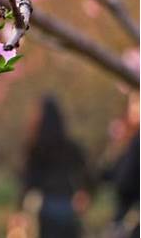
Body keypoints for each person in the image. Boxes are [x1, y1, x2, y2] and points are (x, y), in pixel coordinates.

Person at [18, 96, 93, 238]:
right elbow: (88, 175)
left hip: (46, 208)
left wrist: (20, 209)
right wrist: (85, 193)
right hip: (68, 207)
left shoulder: (36, 148)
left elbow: (29, 181)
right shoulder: (71, 147)